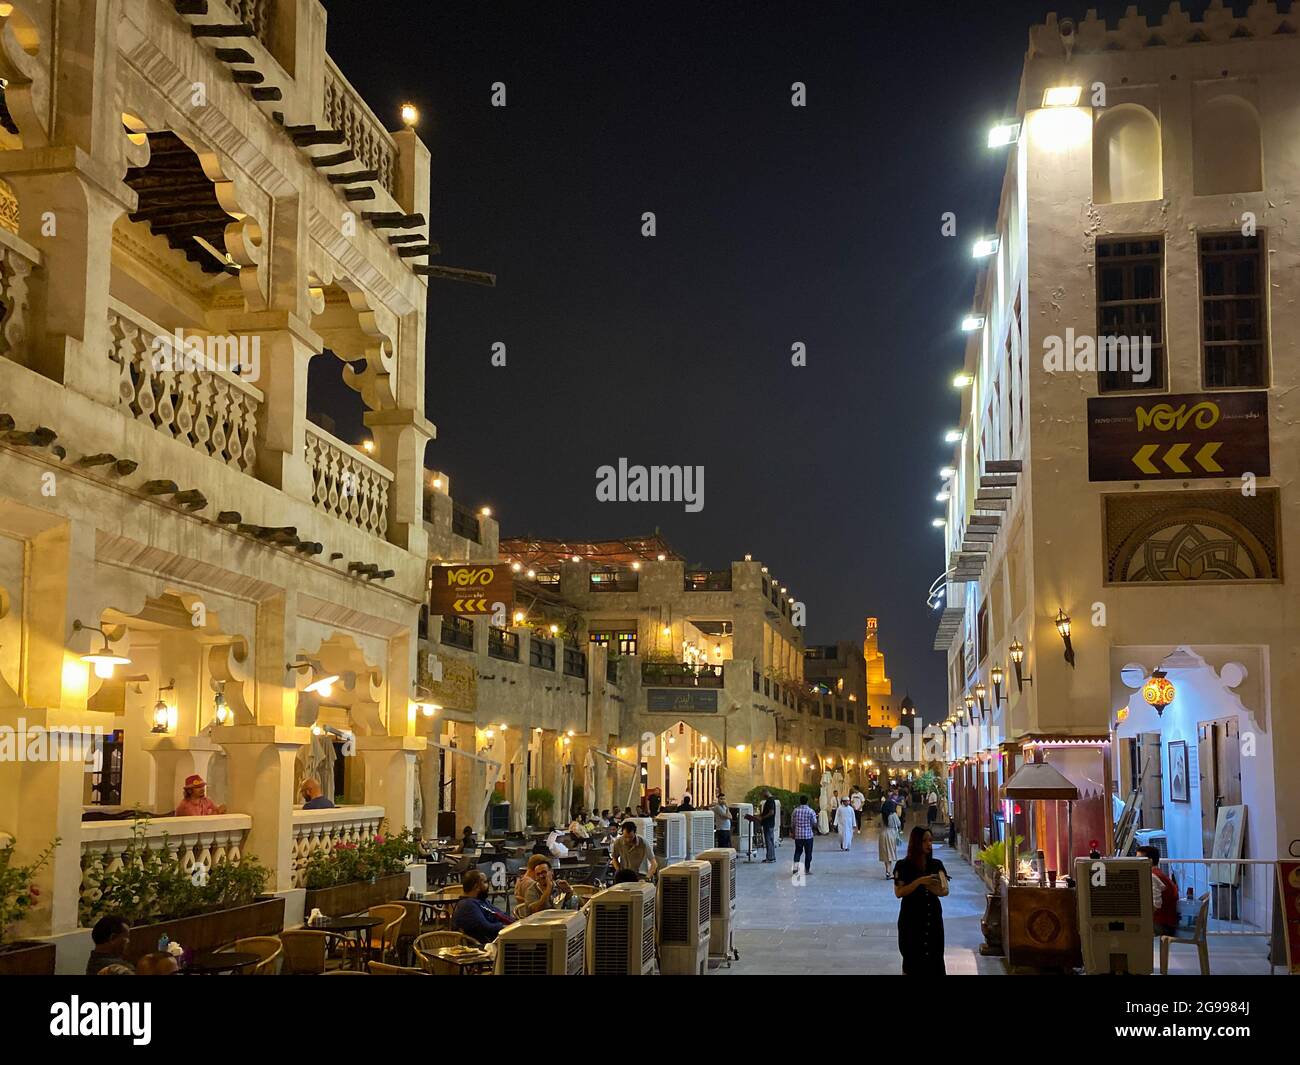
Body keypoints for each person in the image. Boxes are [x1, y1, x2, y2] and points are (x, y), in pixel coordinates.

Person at [894, 827, 949, 975]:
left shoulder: (936, 865)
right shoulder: (903, 866)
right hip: (911, 918)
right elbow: (899, 892)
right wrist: (919, 881)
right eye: (924, 841)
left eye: (930, 840)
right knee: (912, 960)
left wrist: (930, 886)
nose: (928, 844)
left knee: (934, 958)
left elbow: (944, 890)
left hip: (932, 917)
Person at [451, 870, 514, 943]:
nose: (488, 885)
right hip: (486, 945)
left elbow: (502, 915)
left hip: (501, 937)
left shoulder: (482, 901)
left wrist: (517, 923)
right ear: (476, 886)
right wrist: (504, 927)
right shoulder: (467, 905)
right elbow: (486, 927)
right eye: (485, 882)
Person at [1138, 845, 1180, 936]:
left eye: (1139, 859)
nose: (1136, 862)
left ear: (1150, 861)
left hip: (1162, 925)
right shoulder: (1160, 874)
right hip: (1168, 923)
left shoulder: (1152, 876)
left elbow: (1155, 905)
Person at [790, 795, 817, 875]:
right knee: (808, 853)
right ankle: (807, 869)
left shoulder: (795, 811)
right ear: (807, 801)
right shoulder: (811, 811)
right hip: (808, 835)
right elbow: (814, 822)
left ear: (800, 801)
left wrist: (793, 832)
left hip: (798, 835)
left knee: (797, 852)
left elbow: (792, 823)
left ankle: (795, 869)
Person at [878, 800, 901, 878]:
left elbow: (876, 824)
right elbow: (898, 824)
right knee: (890, 853)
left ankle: (887, 871)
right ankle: (888, 872)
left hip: (882, 834)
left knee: (885, 854)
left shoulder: (881, 815)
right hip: (891, 834)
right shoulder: (893, 815)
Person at [759, 788, 777, 863]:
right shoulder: (771, 800)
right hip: (770, 823)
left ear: (765, 793)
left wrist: (763, 817)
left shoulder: (770, 801)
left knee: (768, 841)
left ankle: (770, 858)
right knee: (771, 840)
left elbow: (771, 812)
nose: (763, 796)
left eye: (763, 795)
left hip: (768, 824)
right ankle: (771, 857)